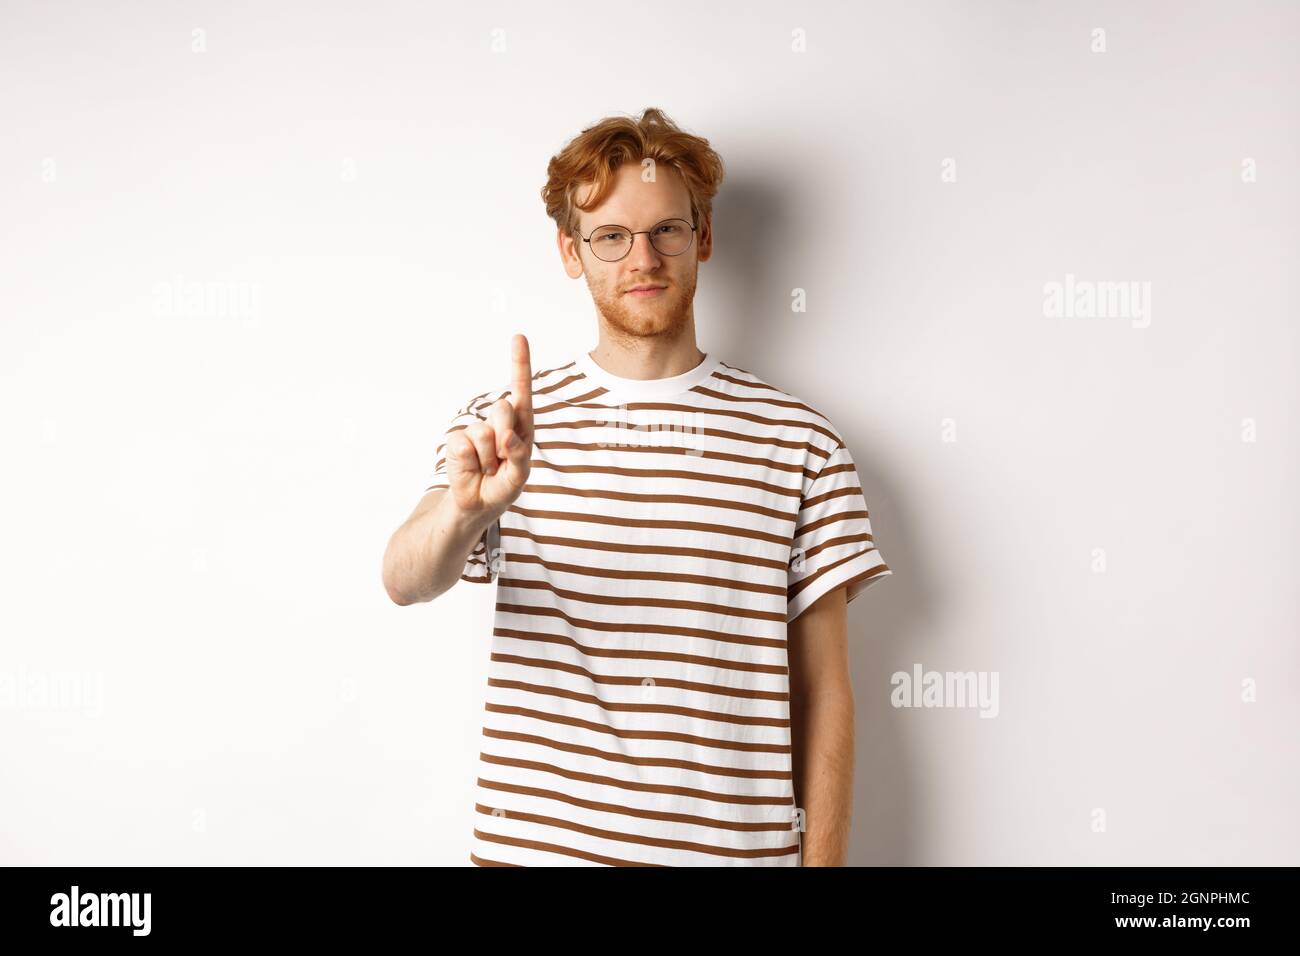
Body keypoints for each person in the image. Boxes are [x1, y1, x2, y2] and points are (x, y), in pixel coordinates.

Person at [382, 107, 892, 866]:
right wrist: (465, 516)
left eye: (666, 230)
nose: (641, 258)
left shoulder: (802, 443)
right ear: (571, 251)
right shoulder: (506, 430)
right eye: (611, 236)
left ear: (704, 237)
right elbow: (403, 578)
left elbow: (826, 697)